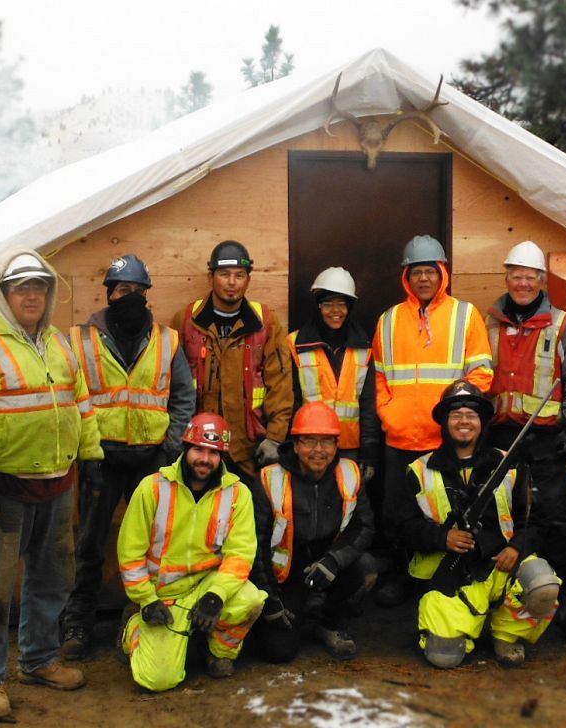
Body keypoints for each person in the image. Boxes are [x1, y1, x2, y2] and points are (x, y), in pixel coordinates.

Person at [0, 249, 103, 721]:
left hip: (58, 484)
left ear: (49, 294)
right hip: (4, 489)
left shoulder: (57, 343)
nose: (31, 295)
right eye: (21, 288)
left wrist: (91, 457)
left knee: (53, 579)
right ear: (4, 294)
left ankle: (38, 659)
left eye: (39, 286)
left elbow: (81, 401)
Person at [61, 254, 195, 659]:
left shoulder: (167, 340)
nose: (130, 298)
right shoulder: (79, 340)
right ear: (108, 294)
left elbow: (184, 397)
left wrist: (169, 448)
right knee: (89, 544)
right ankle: (78, 623)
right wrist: (88, 450)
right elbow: (69, 398)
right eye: (123, 291)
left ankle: (138, 616)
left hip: (150, 461)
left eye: (138, 291)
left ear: (147, 295)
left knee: (153, 545)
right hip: (100, 461)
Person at [395, 380, 560, 668]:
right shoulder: (418, 471)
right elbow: (402, 526)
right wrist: (442, 537)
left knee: (543, 586)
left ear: (482, 422)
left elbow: (536, 519)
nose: (464, 421)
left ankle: (506, 635)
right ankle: (471, 619)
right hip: (451, 574)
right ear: (445, 422)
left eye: (471, 415)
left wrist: (518, 548)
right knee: (442, 657)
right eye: (456, 414)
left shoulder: (508, 464)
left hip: (502, 566)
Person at [372, 235, 493, 605]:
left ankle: (443, 575)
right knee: (396, 513)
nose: (423, 278)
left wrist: (456, 419)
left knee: (443, 512)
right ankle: (400, 576)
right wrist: (388, 413)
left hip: (444, 441)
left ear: (442, 273)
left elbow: (481, 374)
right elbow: (378, 377)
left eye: (430, 271)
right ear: (406, 277)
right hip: (400, 440)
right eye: (416, 272)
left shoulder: (465, 315)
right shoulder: (389, 319)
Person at [117, 413, 266, 692]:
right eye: (198, 449)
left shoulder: (237, 494)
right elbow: (130, 555)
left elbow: (240, 554)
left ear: (222, 457)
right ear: (185, 448)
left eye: (213, 453)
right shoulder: (152, 489)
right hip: (163, 597)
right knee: (157, 680)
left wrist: (216, 595)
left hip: (206, 588)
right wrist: (146, 600)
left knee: (250, 599)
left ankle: (218, 652)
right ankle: (133, 630)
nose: (205, 459)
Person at [485, 241, 566, 588]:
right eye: (517, 277)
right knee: (502, 511)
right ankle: (506, 584)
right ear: (507, 279)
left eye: (530, 278)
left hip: (546, 440)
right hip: (500, 438)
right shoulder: (489, 323)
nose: (523, 284)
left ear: (542, 281)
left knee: (556, 514)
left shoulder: (561, 325)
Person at [250, 402, 375, 662]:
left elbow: (363, 526)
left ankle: (329, 622)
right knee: (278, 652)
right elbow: (256, 546)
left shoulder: (349, 473)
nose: (318, 450)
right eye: (309, 441)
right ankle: (301, 611)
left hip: (328, 565)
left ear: (336, 445)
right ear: (295, 445)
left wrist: (334, 560)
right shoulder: (268, 479)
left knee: (364, 566)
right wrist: (271, 601)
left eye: (327, 442)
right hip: (286, 575)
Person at [172, 240, 292, 478]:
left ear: (248, 279)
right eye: (224, 274)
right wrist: (175, 439)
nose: (231, 282)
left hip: (249, 451)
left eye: (239, 275)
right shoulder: (187, 320)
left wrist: (275, 439)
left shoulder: (266, 322)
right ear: (211, 278)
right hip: (199, 448)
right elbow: (171, 385)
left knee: (254, 511)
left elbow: (281, 385)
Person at [288, 267, 379, 480]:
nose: (335, 310)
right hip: (311, 447)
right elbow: (291, 401)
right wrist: (292, 445)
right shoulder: (295, 345)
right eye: (327, 303)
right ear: (317, 306)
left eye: (342, 304)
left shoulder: (364, 348)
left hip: (349, 449)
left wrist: (369, 453)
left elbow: (368, 405)